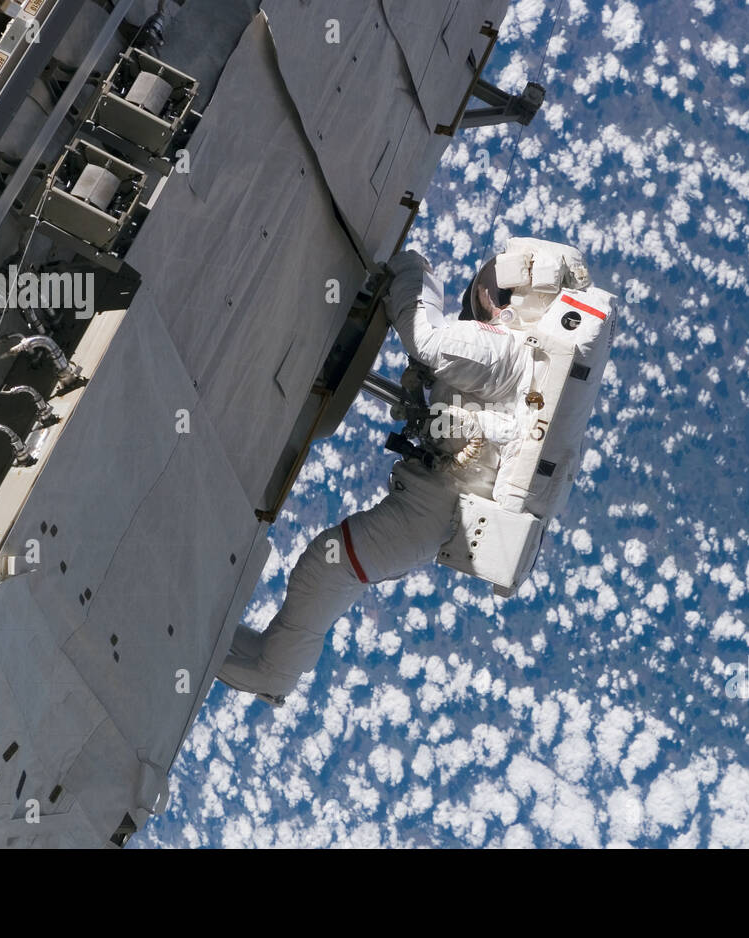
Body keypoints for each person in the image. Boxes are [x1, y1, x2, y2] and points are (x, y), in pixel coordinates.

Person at [217, 247, 539, 705]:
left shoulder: (501, 347)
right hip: (437, 514)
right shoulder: (514, 362)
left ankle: (272, 672)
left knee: (325, 568)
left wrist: (411, 269)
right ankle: (269, 662)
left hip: (432, 511)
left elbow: (427, 340)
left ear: (495, 294)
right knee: (326, 569)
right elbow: (494, 424)